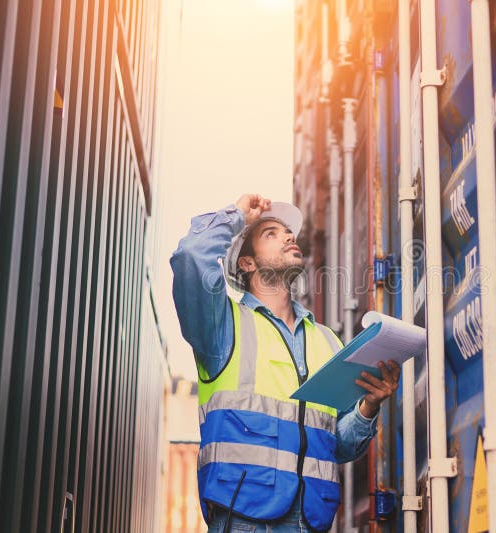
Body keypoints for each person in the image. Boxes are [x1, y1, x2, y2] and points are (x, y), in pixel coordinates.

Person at [170, 193, 401, 532]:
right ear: (247, 264)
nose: (289, 237)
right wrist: (236, 216)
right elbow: (191, 256)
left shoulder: (326, 341)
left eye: (288, 233)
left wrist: (368, 406)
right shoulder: (222, 327)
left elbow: (336, 446)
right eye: (271, 234)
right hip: (244, 520)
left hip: (311, 522)